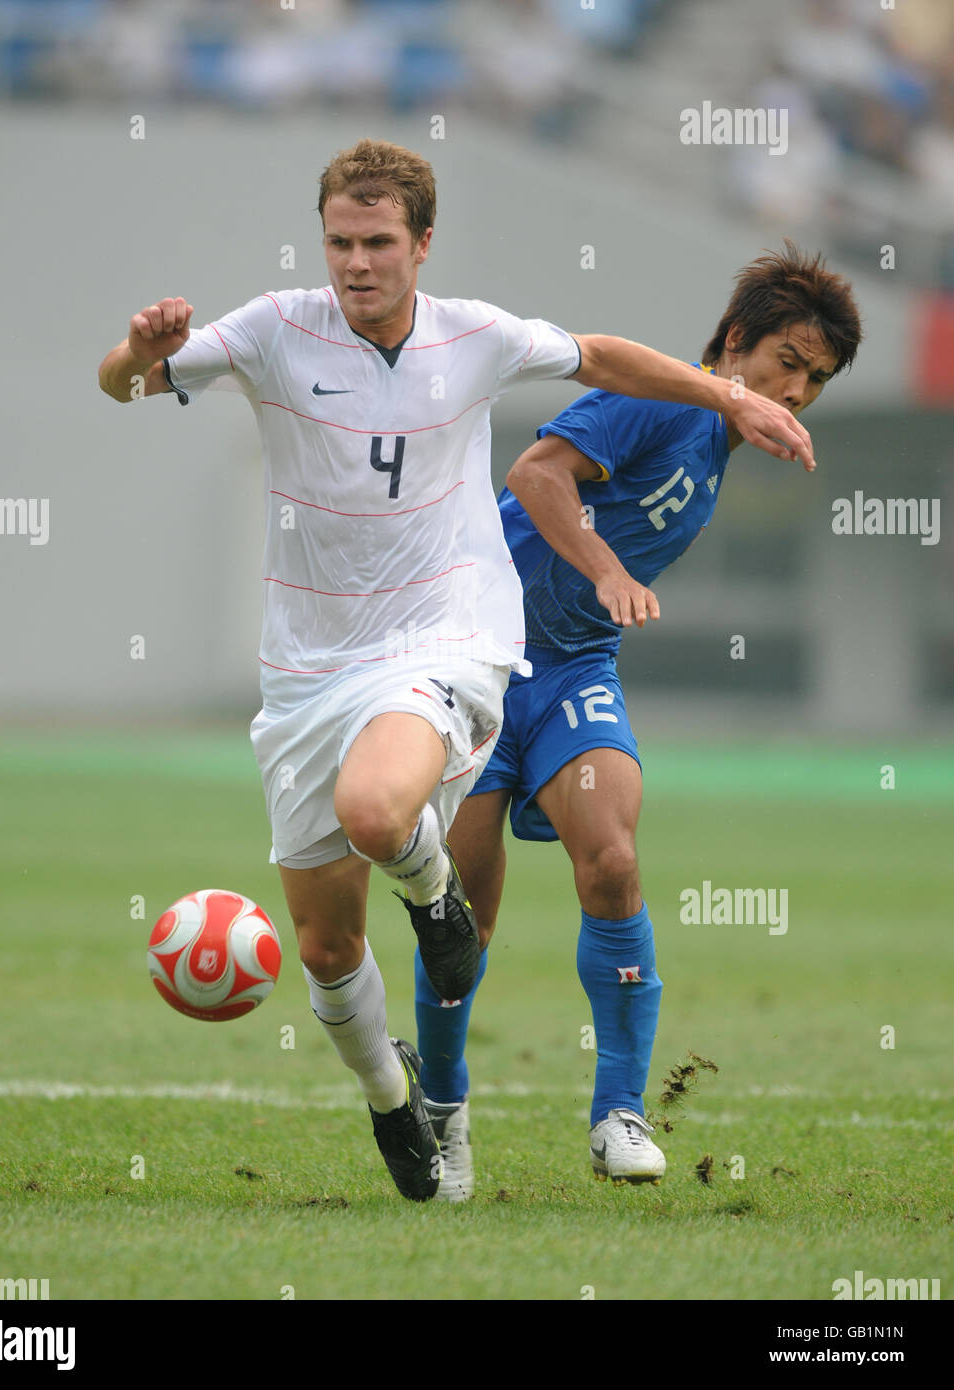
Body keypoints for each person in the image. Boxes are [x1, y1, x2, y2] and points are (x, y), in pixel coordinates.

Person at [97, 139, 814, 1203]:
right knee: (326, 945)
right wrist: (131, 349)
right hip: (304, 665)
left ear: (421, 245)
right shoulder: (271, 329)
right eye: (340, 241)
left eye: (378, 242)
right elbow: (127, 387)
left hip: (442, 637)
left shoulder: (471, 335)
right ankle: (394, 1096)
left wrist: (730, 399)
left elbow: (602, 353)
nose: (355, 262)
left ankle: (445, 920)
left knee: (385, 811)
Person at [420, 242, 862, 1200]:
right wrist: (609, 571)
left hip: (575, 668)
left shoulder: (716, 448)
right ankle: (443, 1111)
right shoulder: (667, 398)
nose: (800, 386)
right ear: (735, 343)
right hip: (476, 660)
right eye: (786, 359)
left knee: (613, 861)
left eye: (818, 377)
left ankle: (619, 1113)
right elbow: (539, 473)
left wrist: (603, 588)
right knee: (465, 919)